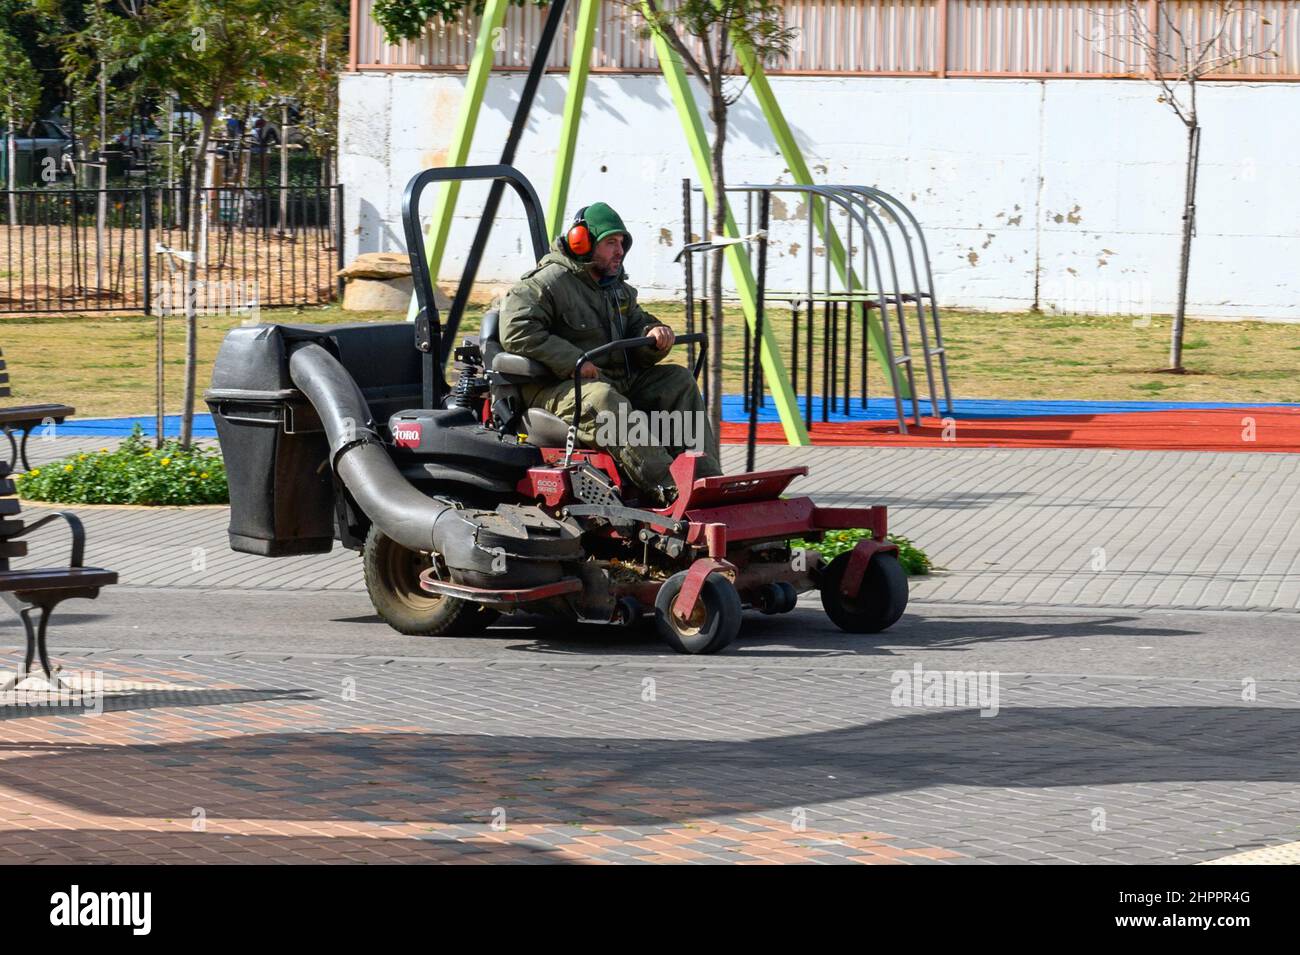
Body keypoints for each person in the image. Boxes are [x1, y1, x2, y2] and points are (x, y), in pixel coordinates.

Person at [498, 202, 722, 505]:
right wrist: (574, 361)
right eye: (610, 243)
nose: (619, 251)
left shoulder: (616, 289)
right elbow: (516, 329)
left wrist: (652, 335)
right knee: (603, 399)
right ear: (581, 242)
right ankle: (668, 490)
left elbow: (637, 325)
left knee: (677, 380)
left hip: (611, 381)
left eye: (622, 244)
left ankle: (706, 481)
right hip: (553, 388)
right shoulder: (546, 283)